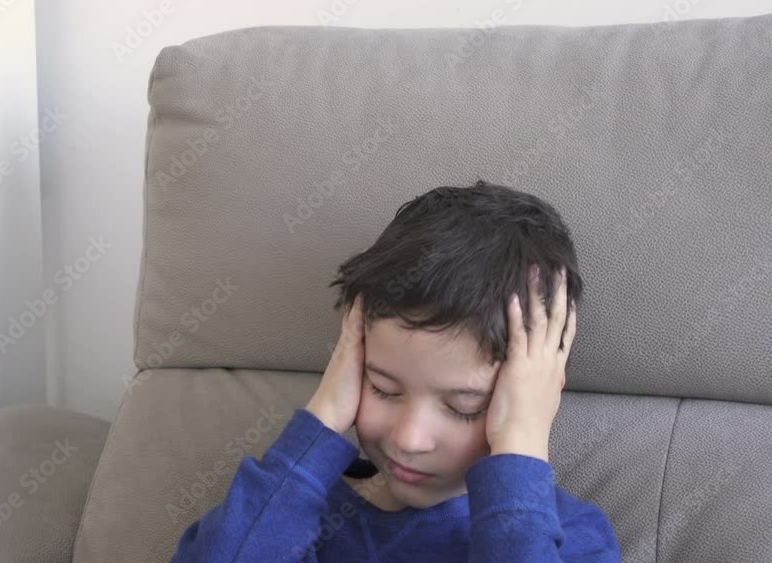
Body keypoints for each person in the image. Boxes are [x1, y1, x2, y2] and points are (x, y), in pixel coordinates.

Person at [170, 179, 622, 562]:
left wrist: (518, 456)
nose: (408, 439)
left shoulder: (570, 536)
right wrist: (323, 419)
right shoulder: (294, 507)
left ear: (536, 396)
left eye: (464, 406)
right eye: (383, 388)